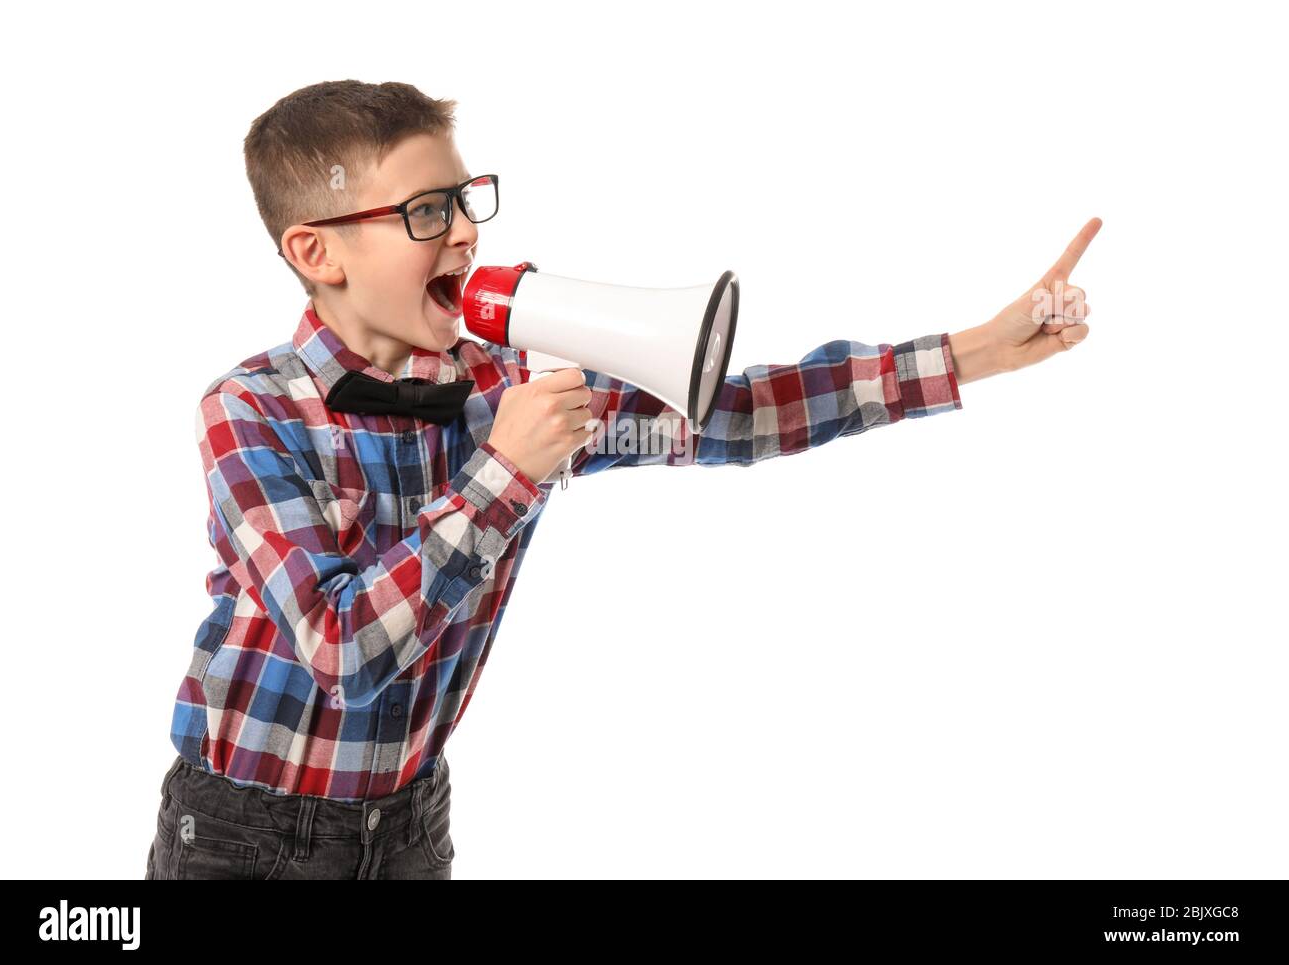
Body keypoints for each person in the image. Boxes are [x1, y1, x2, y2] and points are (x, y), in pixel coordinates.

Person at [144, 79, 1100, 880]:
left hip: (409, 824)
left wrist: (971, 354)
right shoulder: (251, 409)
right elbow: (342, 652)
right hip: (245, 835)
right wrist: (505, 471)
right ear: (316, 251)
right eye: (422, 215)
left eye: (465, 199)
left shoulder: (504, 388)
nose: (466, 237)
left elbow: (730, 415)